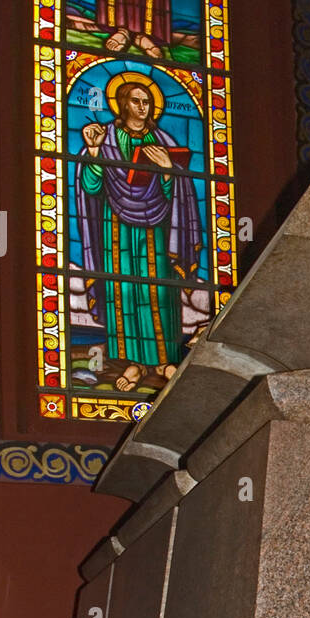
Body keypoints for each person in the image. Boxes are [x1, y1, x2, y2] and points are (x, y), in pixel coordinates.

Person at [77, 72, 202, 390]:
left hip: (157, 229)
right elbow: (91, 187)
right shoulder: (103, 138)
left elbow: (179, 188)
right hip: (115, 226)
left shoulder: (164, 142)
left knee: (159, 290)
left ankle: (164, 360)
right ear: (122, 104)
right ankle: (129, 362)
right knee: (124, 289)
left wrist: (166, 170)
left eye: (147, 102)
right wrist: (93, 153)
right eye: (136, 101)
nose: (143, 107)